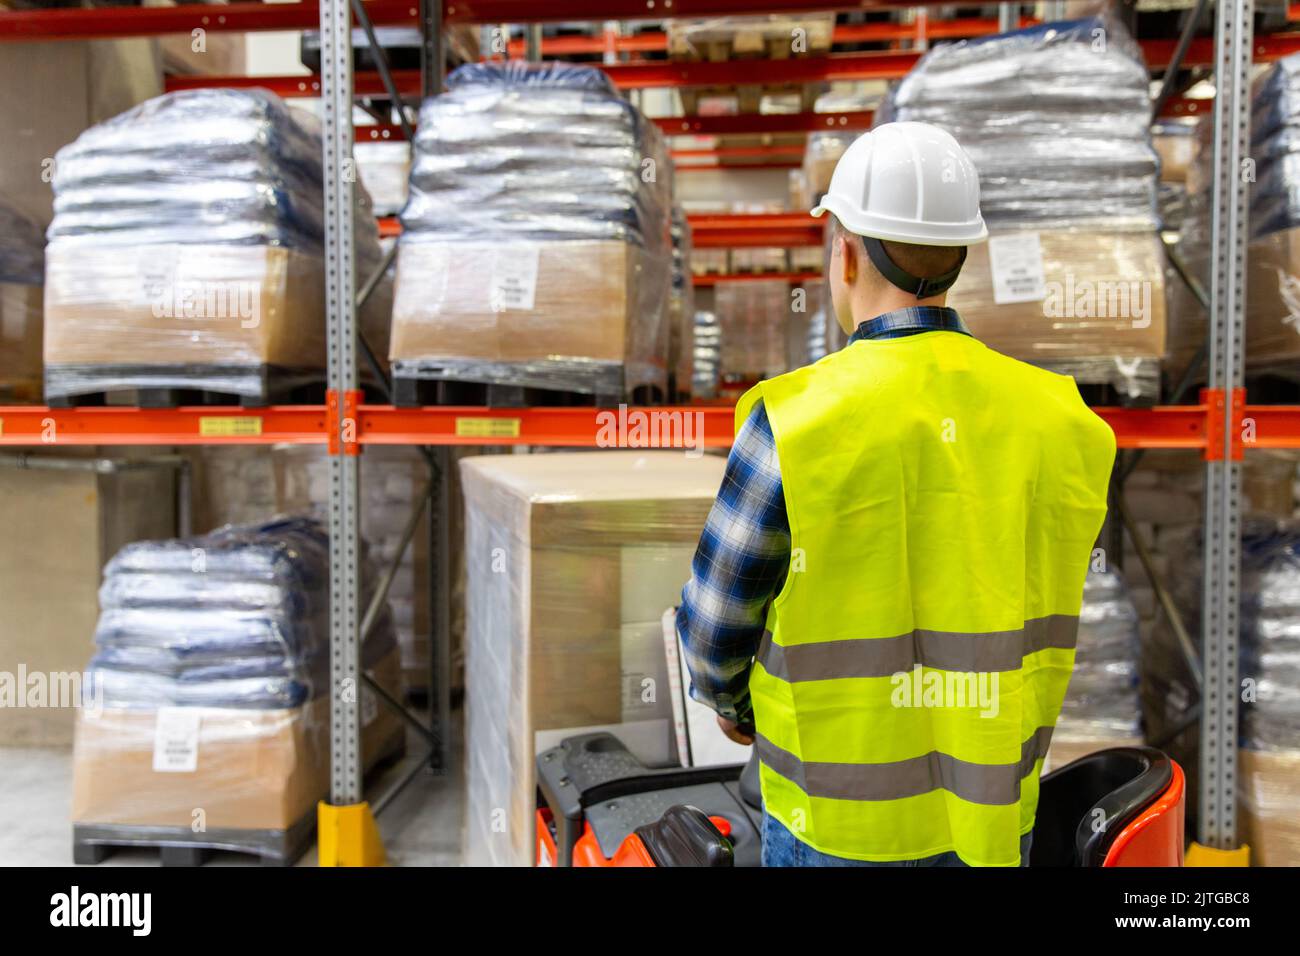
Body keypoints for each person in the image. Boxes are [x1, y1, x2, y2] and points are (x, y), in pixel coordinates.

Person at [676, 122, 1116, 867]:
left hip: (835, 825)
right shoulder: (1063, 419)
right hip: (992, 809)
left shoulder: (793, 420)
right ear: (957, 257)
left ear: (843, 254)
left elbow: (718, 625)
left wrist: (731, 707)